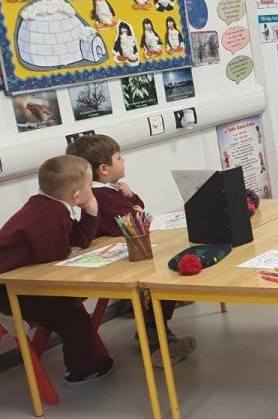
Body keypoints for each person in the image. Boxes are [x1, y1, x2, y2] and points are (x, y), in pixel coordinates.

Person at [66, 135, 197, 365]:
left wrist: (131, 196)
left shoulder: (110, 190)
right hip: (117, 259)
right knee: (164, 274)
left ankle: (155, 324)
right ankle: (155, 332)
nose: (123, 160)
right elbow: (134, 219)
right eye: (119, 157)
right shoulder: (103, 196)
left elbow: (138, 209)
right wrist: (133, 206)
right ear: (104, 169)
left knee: (166, 266)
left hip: (122, 252)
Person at [0, 155, 114, 384]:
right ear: (76, 196)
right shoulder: (48, 214)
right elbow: (53, 255)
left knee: (68, 308)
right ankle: (81, 369)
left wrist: (91, 211)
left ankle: (86, 359)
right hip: (7, 290)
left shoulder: (48, 205)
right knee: (71, 315)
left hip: (20, 281)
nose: (92, 190)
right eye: (89, 186)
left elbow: (78, 240)